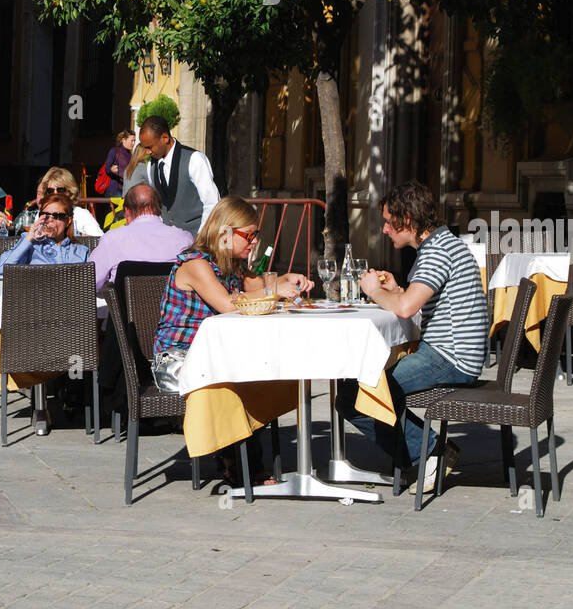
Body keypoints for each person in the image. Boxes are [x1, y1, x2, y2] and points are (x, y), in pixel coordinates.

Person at [336, 180, 488, 488]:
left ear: (407, 220)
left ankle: (432, 451)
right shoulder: (443, 244)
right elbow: (419, 303)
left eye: (389, 223)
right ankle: (422, 456)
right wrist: (399, 290)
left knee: (356, 394)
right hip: (454, 352)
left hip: (450, 358)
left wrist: (376, 291)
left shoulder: (436, 252)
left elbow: (405, 310)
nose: (385, 230)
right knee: (362, 388)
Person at [151, 196, 311, 485]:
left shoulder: (232, 264)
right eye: (248, 235)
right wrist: (274, 292)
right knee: (236, 379)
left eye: (255, 235)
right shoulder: (196, 263)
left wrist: (288, 280)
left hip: (212, 355)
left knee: (265, 373)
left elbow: (260, 285)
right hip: (177, 359)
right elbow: (228, 304)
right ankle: (240, 465)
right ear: (225, 232)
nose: (253, 242)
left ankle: (237, 459)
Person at [92, 184, 192, 291]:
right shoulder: (184, 239)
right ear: (159, 209)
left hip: (124, 306)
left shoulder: (111, 239)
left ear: (126, 212)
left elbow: (91, 282)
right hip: (171, 306)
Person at [134, 114, 219, 232]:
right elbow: (158, 206)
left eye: (150, 147)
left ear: (165, 138)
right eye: (144, 148)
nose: (147, 152)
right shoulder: (151, 166)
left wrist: (201, 238)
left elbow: (212, 202)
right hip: (167, 241)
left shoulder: (194, 159)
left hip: (194, 239)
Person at [0, 192, 91, 273]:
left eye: (56, 216)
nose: (49, 220)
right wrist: (29, 238)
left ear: (68, 221)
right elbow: (1, 269)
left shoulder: (81, 251)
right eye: (44, 215)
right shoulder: (31, 245)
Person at [16, 166, 103, 239]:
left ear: (70, 191)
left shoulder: (81, 214)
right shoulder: (42, 214)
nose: (55, 194)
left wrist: (75, 235)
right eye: (50, 191)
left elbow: (100, 241)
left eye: (60, 190)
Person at [102, 131, 135, 198]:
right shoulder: (114, 151)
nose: (133, 143)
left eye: (134, 141)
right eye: (131, 141)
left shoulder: (131, 155)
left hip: (125, 190)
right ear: (123, 140)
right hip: (114, 190)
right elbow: (107, 168)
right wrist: (111, 169)